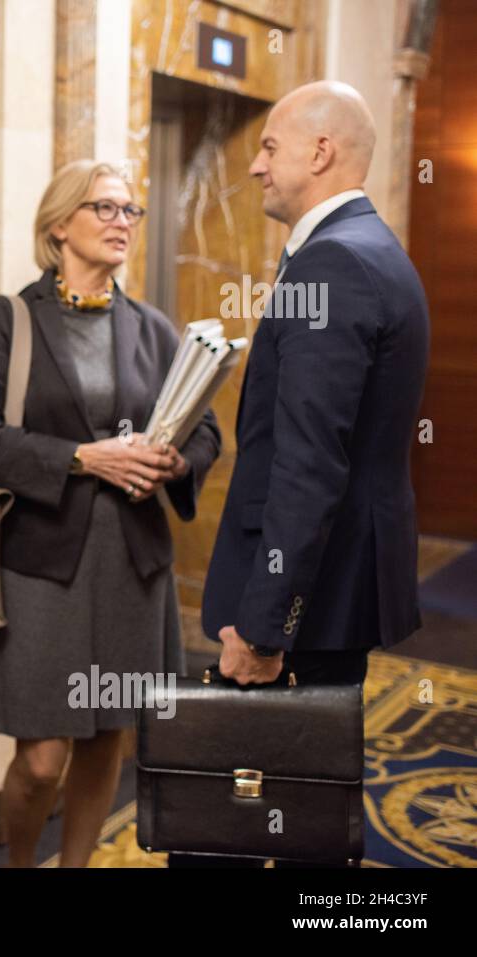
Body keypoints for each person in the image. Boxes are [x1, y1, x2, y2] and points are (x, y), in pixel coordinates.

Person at [178, 80, 430, 867]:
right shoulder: (371, 249)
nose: (254, 165)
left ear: (321, 152)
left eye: (270, 146)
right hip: (334, 587)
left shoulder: (337, 264)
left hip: (303, 603)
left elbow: (310, 466)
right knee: (306, 814)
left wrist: (262, 628)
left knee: (264, 824)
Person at [0, 159, 221, 867]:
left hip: (134, 563)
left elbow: (207, 428)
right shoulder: (2, 320)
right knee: (41, 758)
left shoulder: (153, 328)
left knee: (108, 736)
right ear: (59, 224)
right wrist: (84, 458)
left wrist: (174, 460)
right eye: (104, 208)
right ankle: (20, 861)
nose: (122, 222)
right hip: (42, 566)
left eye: (131, 211)